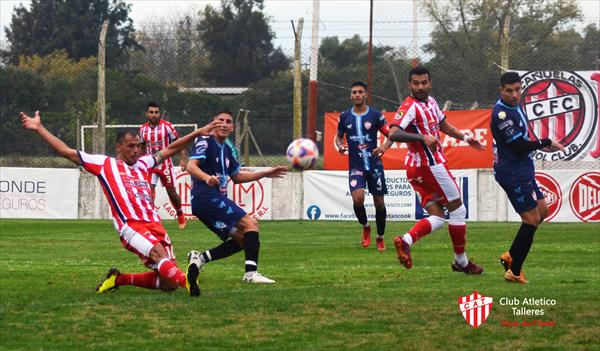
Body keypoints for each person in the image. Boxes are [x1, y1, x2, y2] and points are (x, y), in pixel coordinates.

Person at [20, 110, 222, 297]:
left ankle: (119, 279)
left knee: (168, 283)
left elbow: (170, 148)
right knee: (159, 254)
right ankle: (187, 282)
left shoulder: (144, 163)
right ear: (118, 147)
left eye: (138, 146)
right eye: (131, 146)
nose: (136, 150)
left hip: (154, 223)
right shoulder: (104, 164)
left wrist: (198, 133)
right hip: (131, 225)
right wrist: (39, 128)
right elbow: (66, 151)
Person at [387, 66, 485, 274]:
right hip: (430, 167)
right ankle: (462, 262)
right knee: (458, 210)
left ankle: (405, 240)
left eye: (424, 83)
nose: (420, 87)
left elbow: (445, 126)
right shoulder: (410, 106)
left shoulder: (430, 102)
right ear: (409, 85)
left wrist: (467, 138)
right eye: (416, 83)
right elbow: (393, 133)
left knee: (438, 217)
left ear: (430, 83)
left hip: (417, 169)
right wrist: (422, 137)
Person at [185, 109, 287, 284]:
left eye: (228, 121)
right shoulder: (205, 141)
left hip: (207, 203)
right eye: (220, 121)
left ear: (232, 127)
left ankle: (200, 258)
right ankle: (250, 274)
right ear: (213, 124)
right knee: (251, 224)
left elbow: (237, 176)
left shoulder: (226, 150)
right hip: (207, 197)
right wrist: (206, 177)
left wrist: (265, 173)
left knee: (243, 239)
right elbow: (190, 166)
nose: (224, 124)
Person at [491, 71, 564, 283]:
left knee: (542, 211)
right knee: (531, 219)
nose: (514, 94)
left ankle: (510, 257)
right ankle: (514, 270)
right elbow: (519, 145)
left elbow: (523, 143)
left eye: (517, 89)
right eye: (509, 91)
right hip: (511, 172)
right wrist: (546, 141)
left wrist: (541, 145)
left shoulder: (515, 107)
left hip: (523, 168)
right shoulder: (501, 115)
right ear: (501, 91)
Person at [334, 81, 391, 251]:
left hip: (374, 165)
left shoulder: (375, 115)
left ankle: (380, 238)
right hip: (356, 166)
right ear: (351, 96)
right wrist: (340, 146)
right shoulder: (344, 116)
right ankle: (366, 227)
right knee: (358, 199)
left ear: (366, 95)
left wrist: (383, 147)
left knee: (379, 203)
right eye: (354, 92)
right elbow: (338, 137)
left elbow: (391, 134)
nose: (357, 95)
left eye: (360, 92)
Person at [139, 102, 188, 229]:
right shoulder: (143, 129)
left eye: (156, 112)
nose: (154, 115)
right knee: (148, 190)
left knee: (171, 192)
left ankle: (180, 213)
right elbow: (142, 145)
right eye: (151, 112)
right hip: (151, 165)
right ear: (147, 114)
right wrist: (141, 161)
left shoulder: (167, 126)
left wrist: (183, 158)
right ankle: (150, 218)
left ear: (159, 114)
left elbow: (178, 142)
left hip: (165, 164)